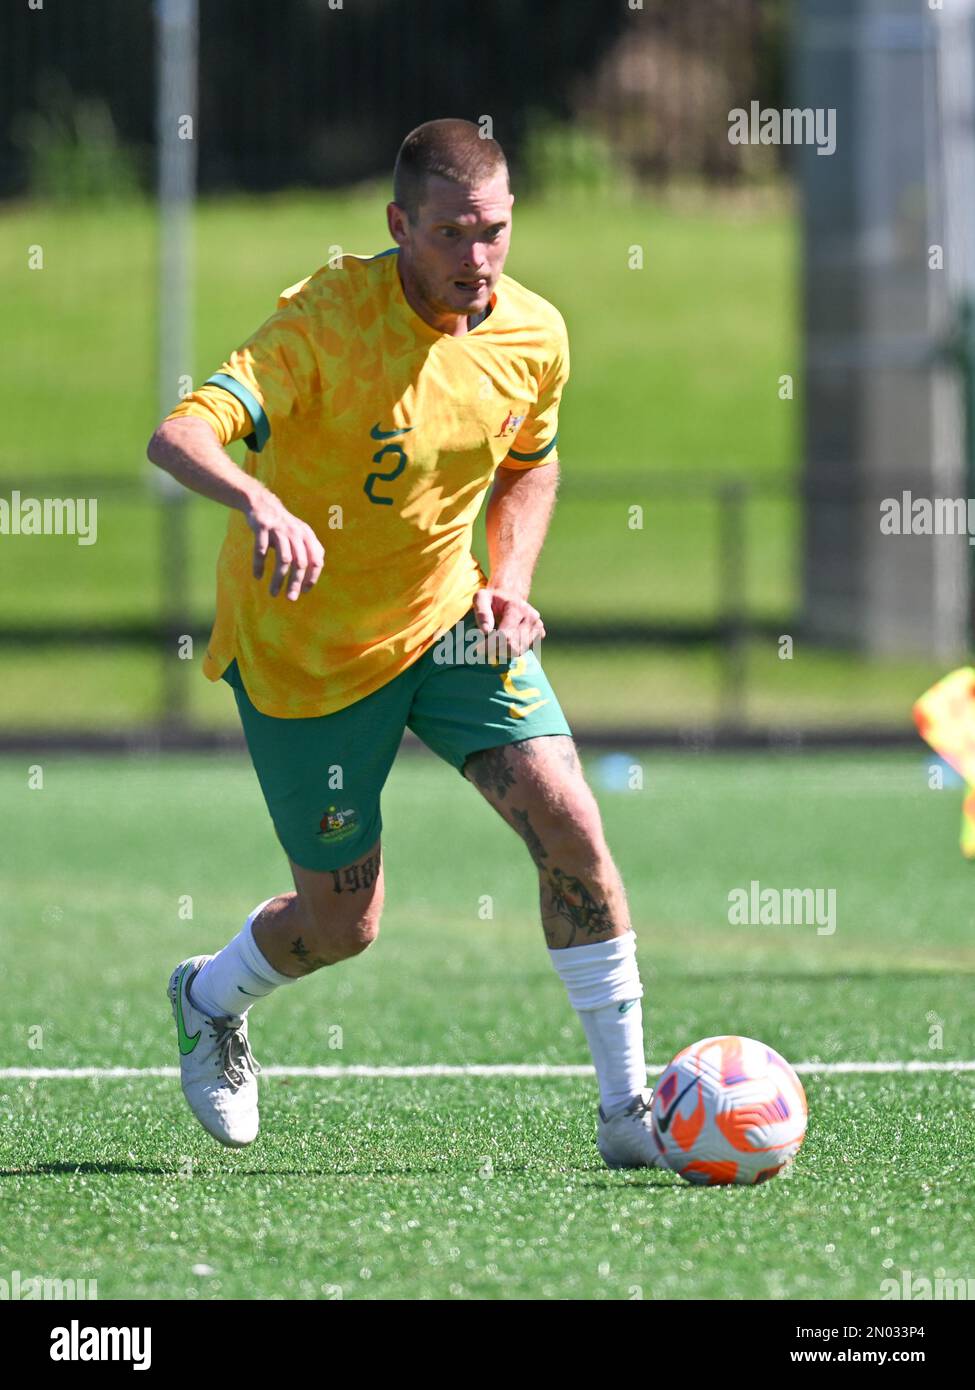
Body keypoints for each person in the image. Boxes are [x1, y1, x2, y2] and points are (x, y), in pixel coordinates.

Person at [147, 117, 661, 1170]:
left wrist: (510, 584)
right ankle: (207, 998)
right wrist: (257, 502)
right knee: (344, 926)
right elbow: (180, 433)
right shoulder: (323, 320)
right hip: (309, 657)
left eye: (496, 231)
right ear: (399, 224)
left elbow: (530, 462)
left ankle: (627, 1114)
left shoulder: (534, 335)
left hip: (448, 625)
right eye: (453, 233)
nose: (479, 259)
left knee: (571, 821)